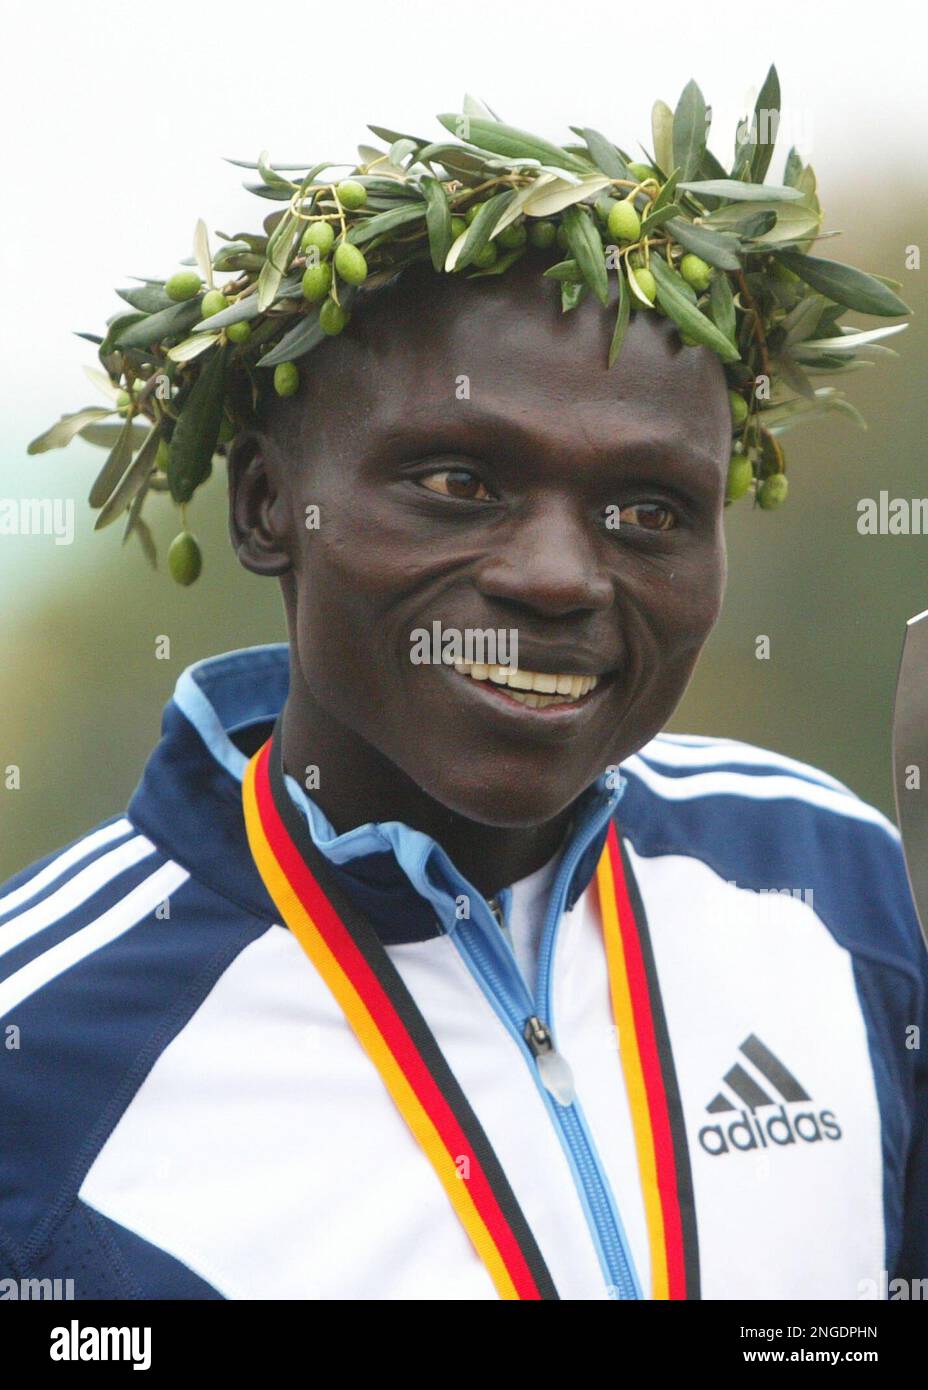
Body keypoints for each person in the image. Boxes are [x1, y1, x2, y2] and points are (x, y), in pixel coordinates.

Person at [4, 87, 923, 1301]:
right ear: (267, 505)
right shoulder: (41, 1061)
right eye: (457, 480)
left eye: (647, 510)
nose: (556, 575)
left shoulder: (833, 876)